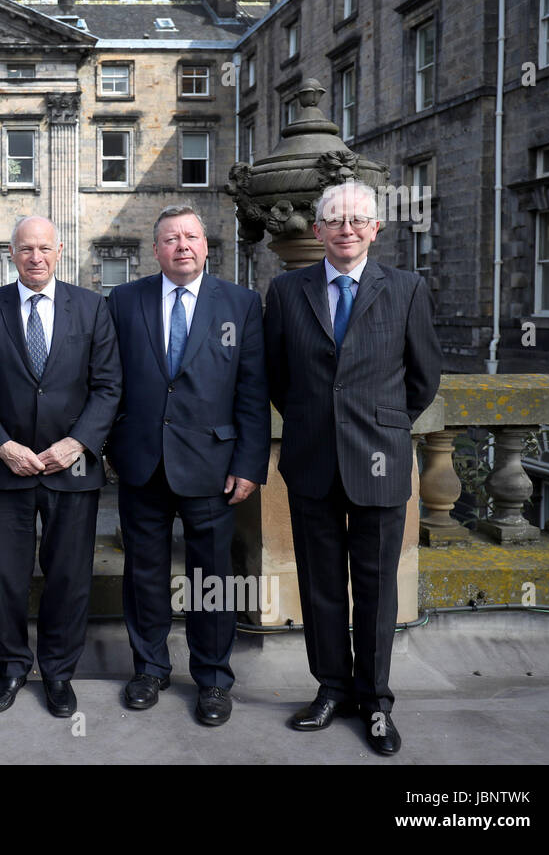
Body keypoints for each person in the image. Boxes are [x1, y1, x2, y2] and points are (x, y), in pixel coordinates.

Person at [264, 180, 440, 756]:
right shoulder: (287, 290)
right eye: (334, 220)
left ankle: (376, 700)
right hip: (312, 460)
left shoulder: (408, 289)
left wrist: (379, 425)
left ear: (374, 229)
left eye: (357, 220)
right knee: (319, 587)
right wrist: (320, 421)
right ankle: (331, 688)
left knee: (375, 588)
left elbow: (423, 380)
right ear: (316, 230)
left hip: (381, 461)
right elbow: (276, 377)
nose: (346, 228)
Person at [107, 205, 270, 727]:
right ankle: (149, 669)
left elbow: (252, 391)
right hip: (142, 465)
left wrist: (249, 464)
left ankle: (213, 679)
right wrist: (114, 449)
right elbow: (108, 385)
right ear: (155, 249)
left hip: (213, 467)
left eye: (191, 237)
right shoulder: (124, 301)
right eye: (171, 238)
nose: (182, 246)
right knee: (145, 575)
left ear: (207, 246)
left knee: (212, 580)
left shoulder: (241, 304)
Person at [0, 216, 121, 717]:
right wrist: (2, 445)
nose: (35, 257)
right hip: (6, 468)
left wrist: (77, 443)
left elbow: (109, 386)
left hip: (70, 469)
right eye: (26, 249)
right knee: (4, 576)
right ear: (11, 254)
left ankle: (57, 671)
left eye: (44, 248)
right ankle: (10, 667)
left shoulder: (94, 308)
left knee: (69, 576)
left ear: (59, 252)